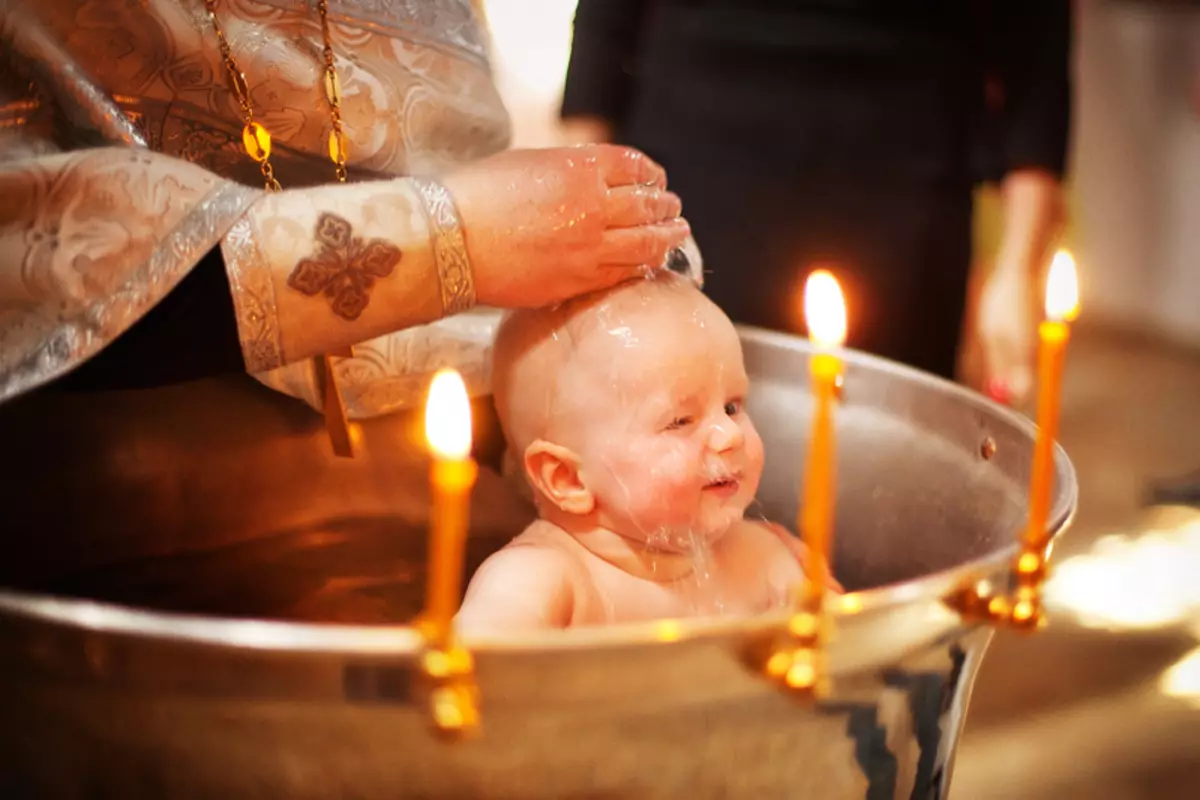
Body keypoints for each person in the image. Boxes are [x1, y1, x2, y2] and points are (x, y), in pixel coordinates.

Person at [0, 0, 690, 410]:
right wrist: (459, 236)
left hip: (464, 420)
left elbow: (454, 129)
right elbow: (34, 263)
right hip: (124, 447)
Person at [561, 0, 1072, 405]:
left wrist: (1018, 266)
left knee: (875, 468)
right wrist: (584, 222)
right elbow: (604, 29)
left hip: (905, 193)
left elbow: (1036, 51)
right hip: (691, 179)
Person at [456, 272, 837, 633]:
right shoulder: (540, 579)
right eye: (679, 421)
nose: (729, 437)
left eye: (732, 407)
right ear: (568, 479)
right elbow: (477, 671)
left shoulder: (759, 557)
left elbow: (843, 657)